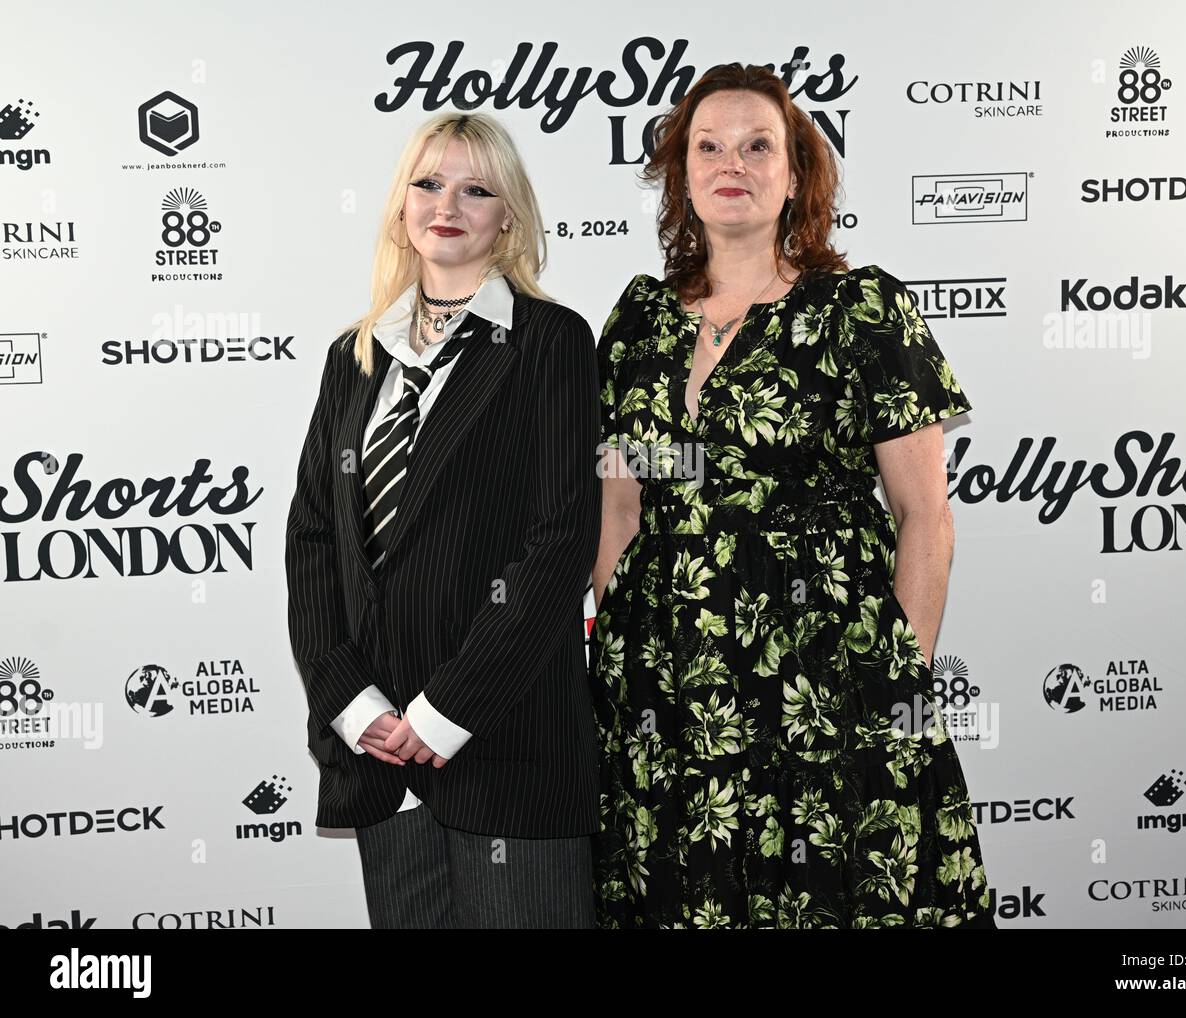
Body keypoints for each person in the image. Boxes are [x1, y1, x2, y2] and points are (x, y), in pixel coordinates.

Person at [588, 64, 997, 928]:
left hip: (831, 675)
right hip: (669, 685)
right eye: (709, 146)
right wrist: (628, 658)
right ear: (680, 172)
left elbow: (924, 515)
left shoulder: (861, 310)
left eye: (757, 145)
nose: (731, 162)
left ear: (797, 174)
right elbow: (618, 511)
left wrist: (900, 683)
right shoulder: (637, 320)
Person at [285, 112, 601, 928]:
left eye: (476, 188)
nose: (445, 204)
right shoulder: (352, 356)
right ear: (400, 207)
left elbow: (561, 540)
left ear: (510, 218)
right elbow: (316, 541)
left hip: (506, 746)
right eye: (427, 183)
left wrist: (442, 712)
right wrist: (357, 707)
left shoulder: (551, 342)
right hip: (381, 754)